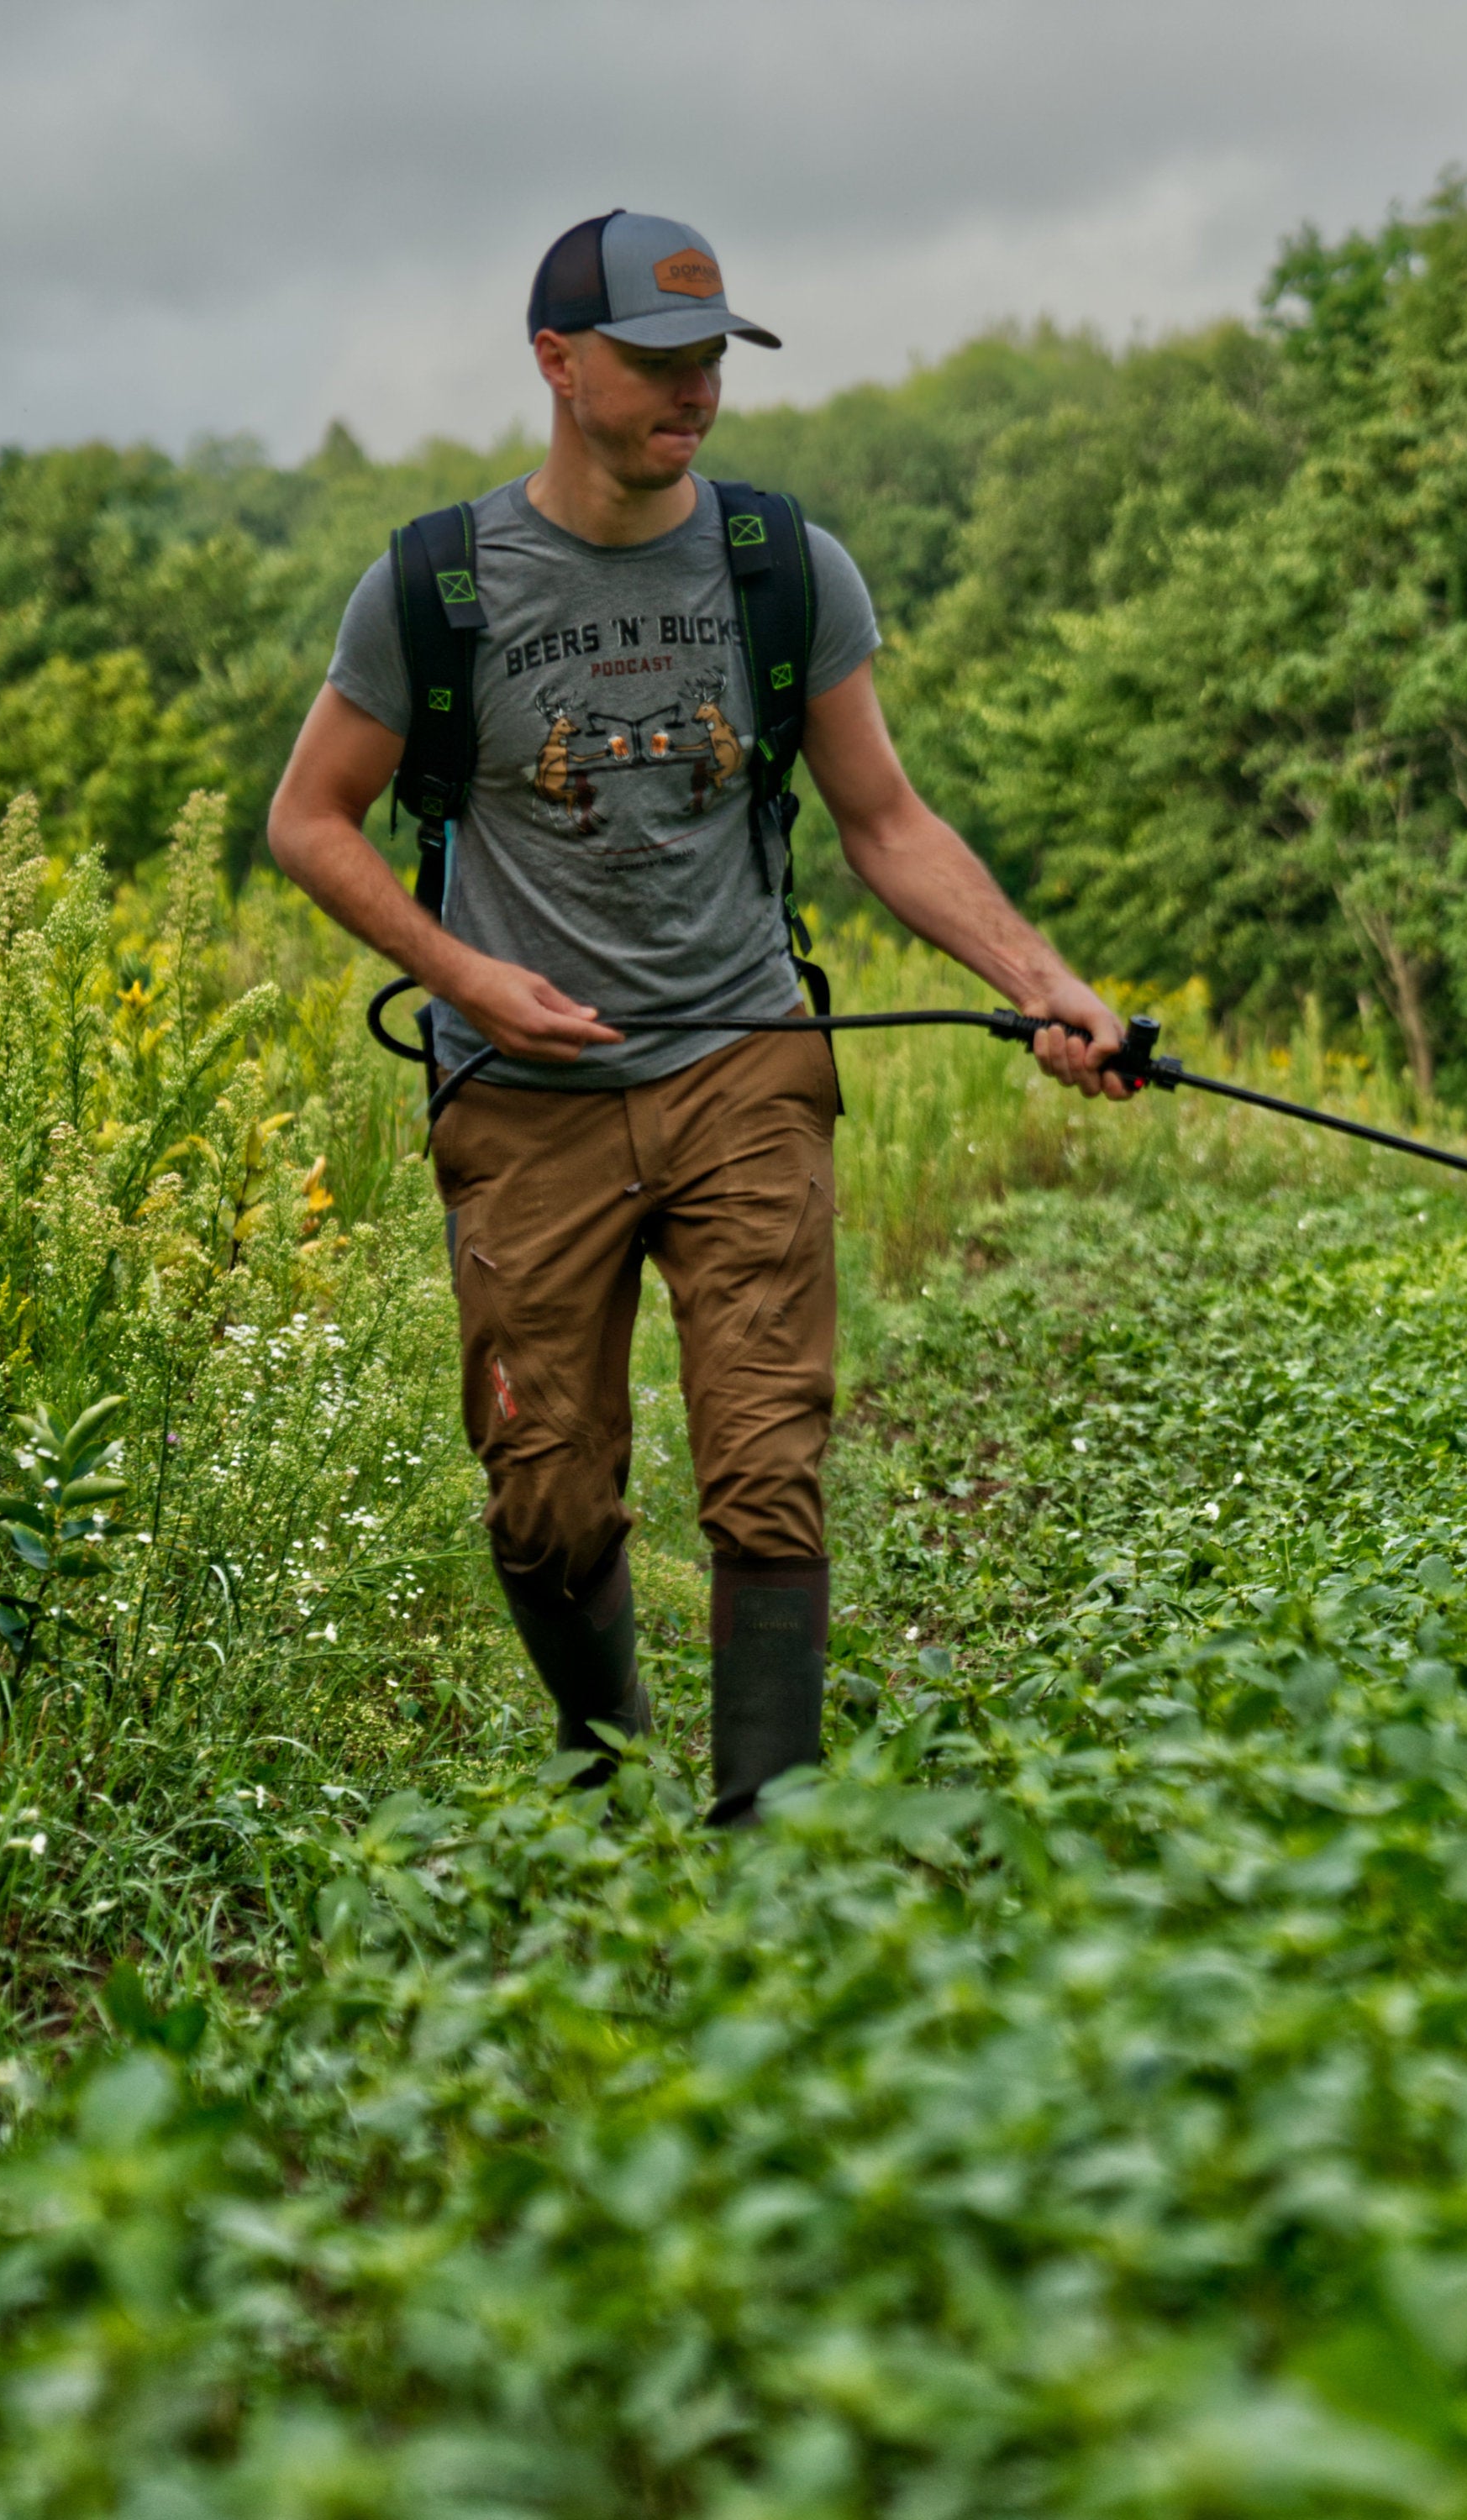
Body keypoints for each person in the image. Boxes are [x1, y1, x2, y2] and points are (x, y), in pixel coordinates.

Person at [265, 210, 1132, 1825]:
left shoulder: (781, 567)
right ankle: (607, 1774)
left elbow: (885, 819)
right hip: (526, 1093)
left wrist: (1044, 986)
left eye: (713, 357)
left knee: (765, 1471)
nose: (695, 392)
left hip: (746, 1059)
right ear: (557, 363)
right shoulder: (434, 589)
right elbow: (309, 819)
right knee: (548, 1501)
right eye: (660, 363)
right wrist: (466, 981)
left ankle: (768, 1846)